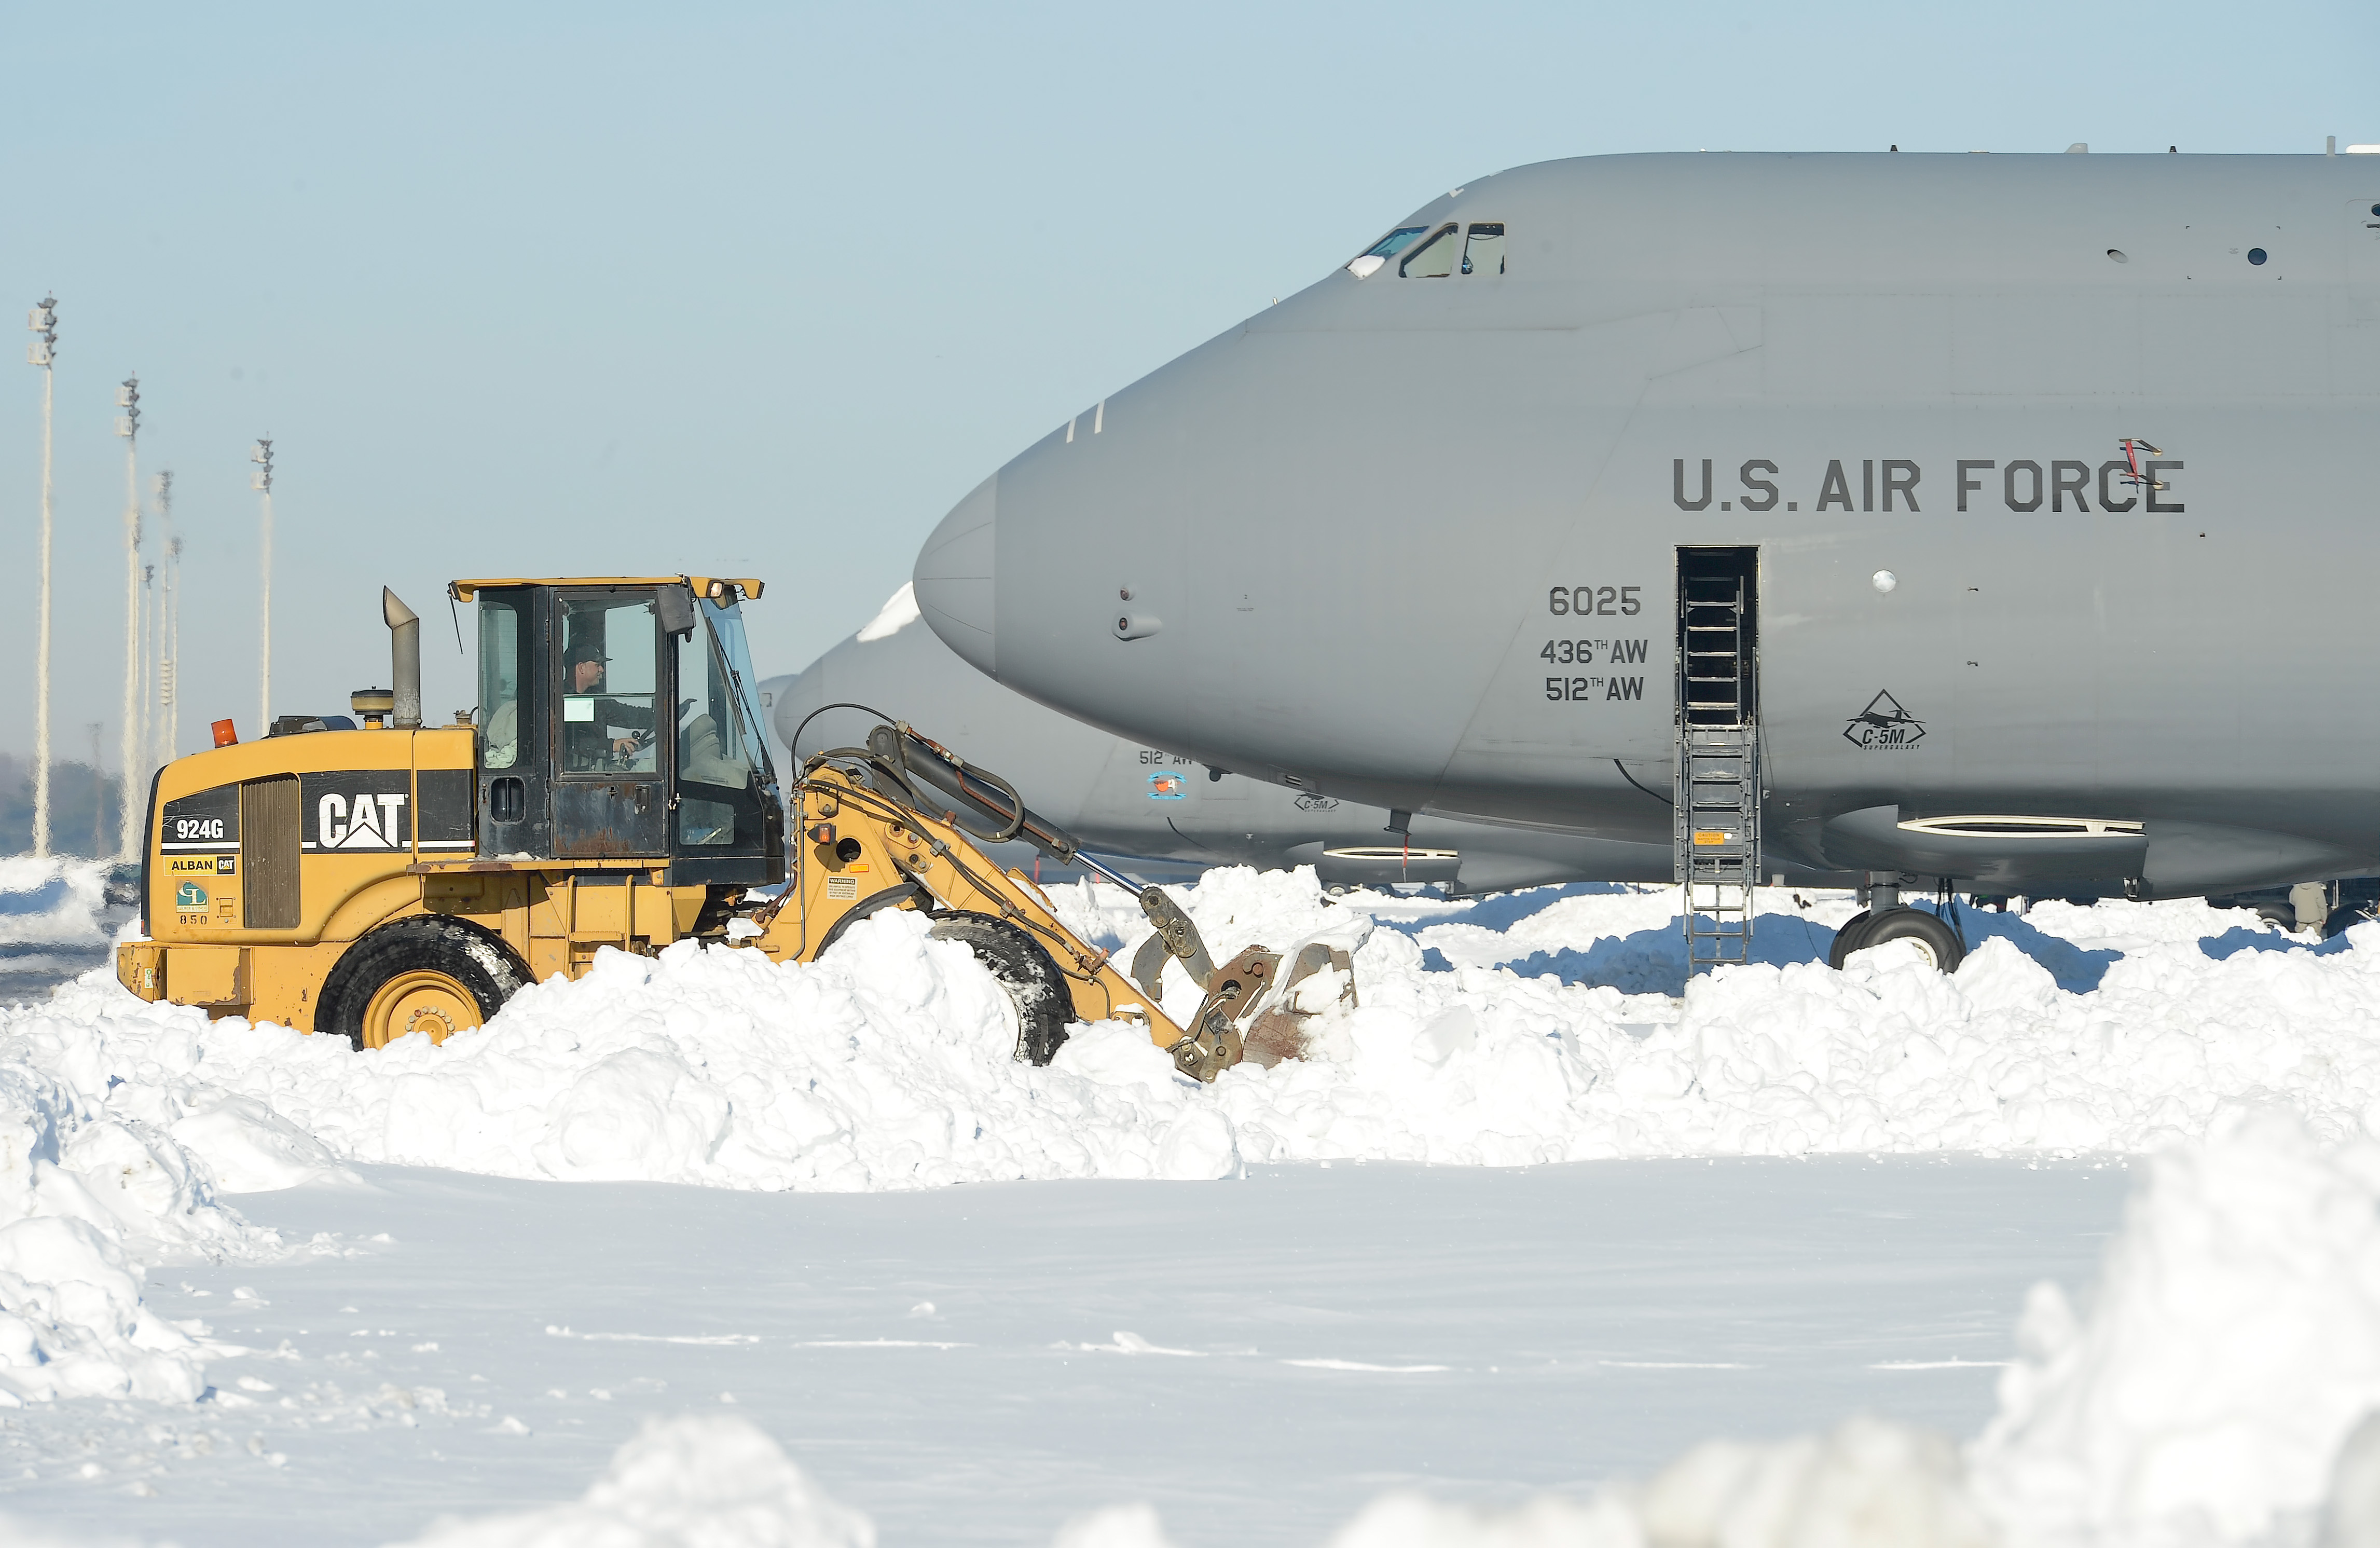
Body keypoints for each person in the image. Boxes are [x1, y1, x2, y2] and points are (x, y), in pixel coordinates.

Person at [562, 640, 655, 771]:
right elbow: (569, 742)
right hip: (573, 774)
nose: (602, 670)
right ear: (581, 667)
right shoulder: (561, 700)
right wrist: (613, 745)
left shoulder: (596, 699)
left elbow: (626, 715)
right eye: (598, 665)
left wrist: (661, 715)